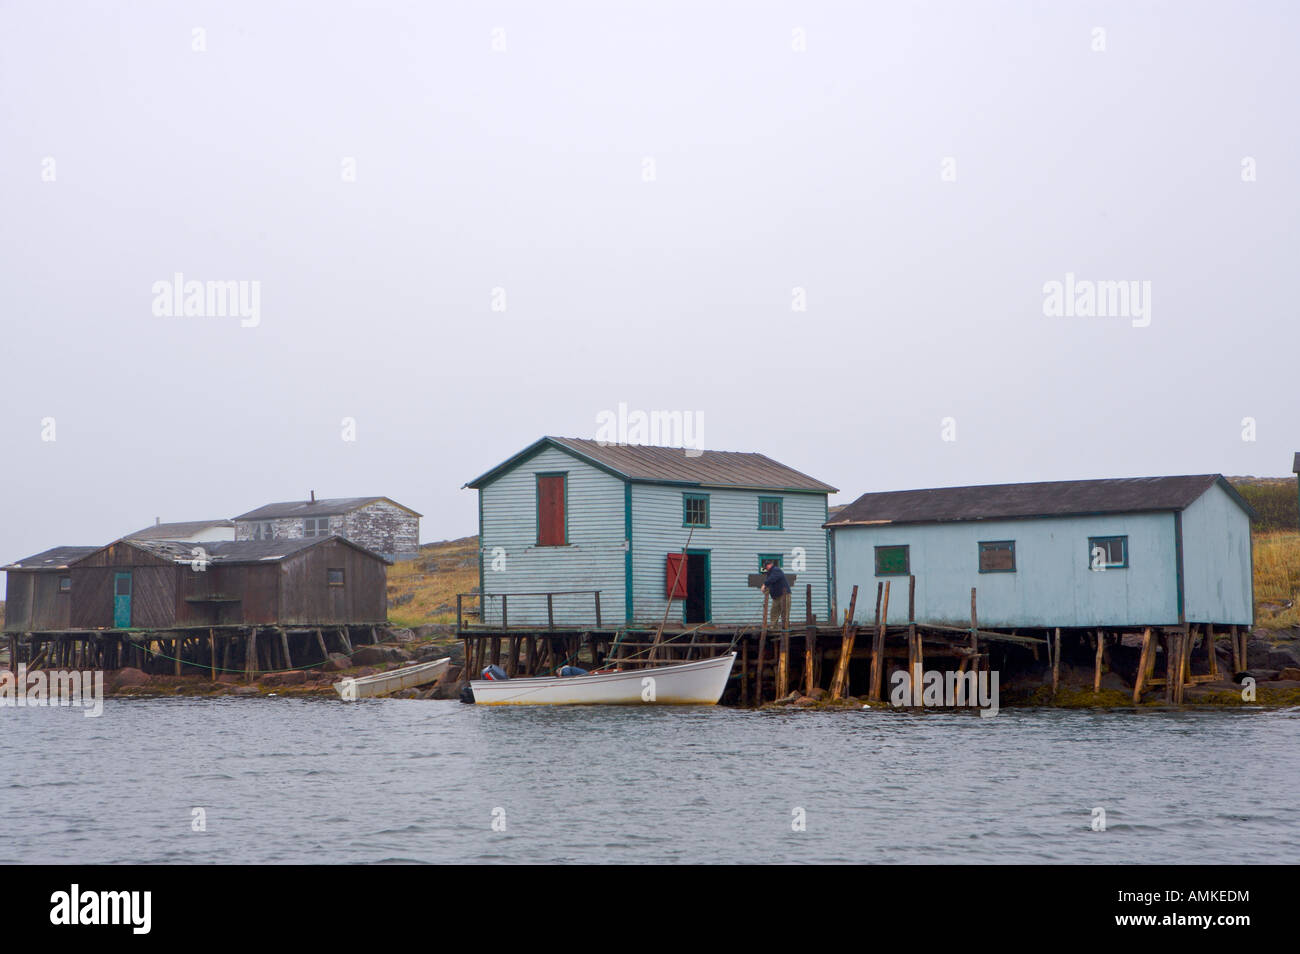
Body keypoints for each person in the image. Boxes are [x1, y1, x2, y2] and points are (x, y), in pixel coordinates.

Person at [761, 559, 791, 632]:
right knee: (774, 611)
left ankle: (785, 627)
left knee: (785, 611)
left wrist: (764, 584)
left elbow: (772, 579)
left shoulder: (776, 570)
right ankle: (774, 627)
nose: (766, 568)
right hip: (776, 596)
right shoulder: (769, 573)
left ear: (770, 565)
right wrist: (766, 589)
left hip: (784, 595)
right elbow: (771, 583)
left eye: (767, 566)